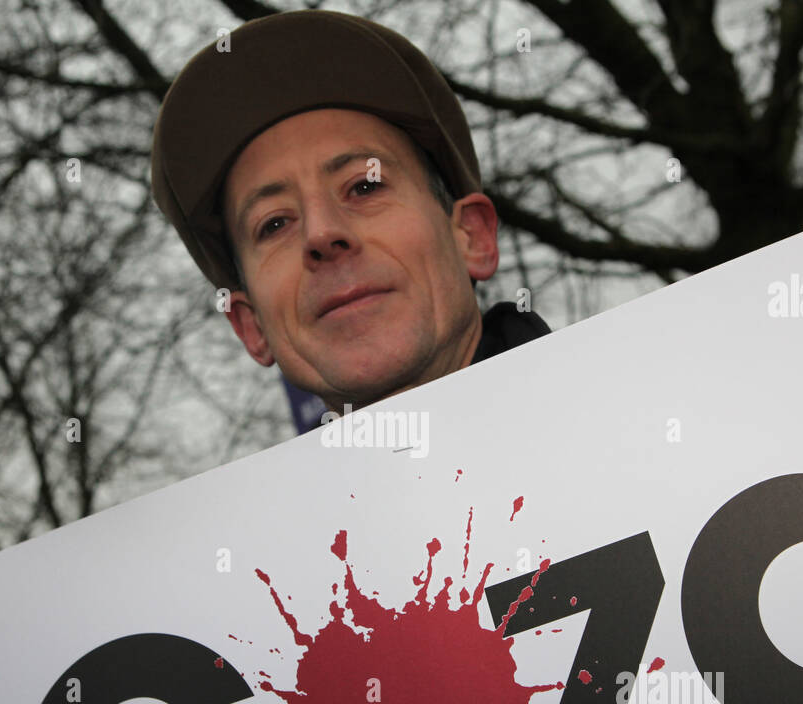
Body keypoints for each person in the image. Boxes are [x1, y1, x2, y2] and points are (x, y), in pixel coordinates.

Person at [150, 10, 551, 418]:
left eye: (364, 186)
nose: (321, 234)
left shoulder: (614, 416)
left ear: (472, 236)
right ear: (251, 326)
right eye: (274, 223)